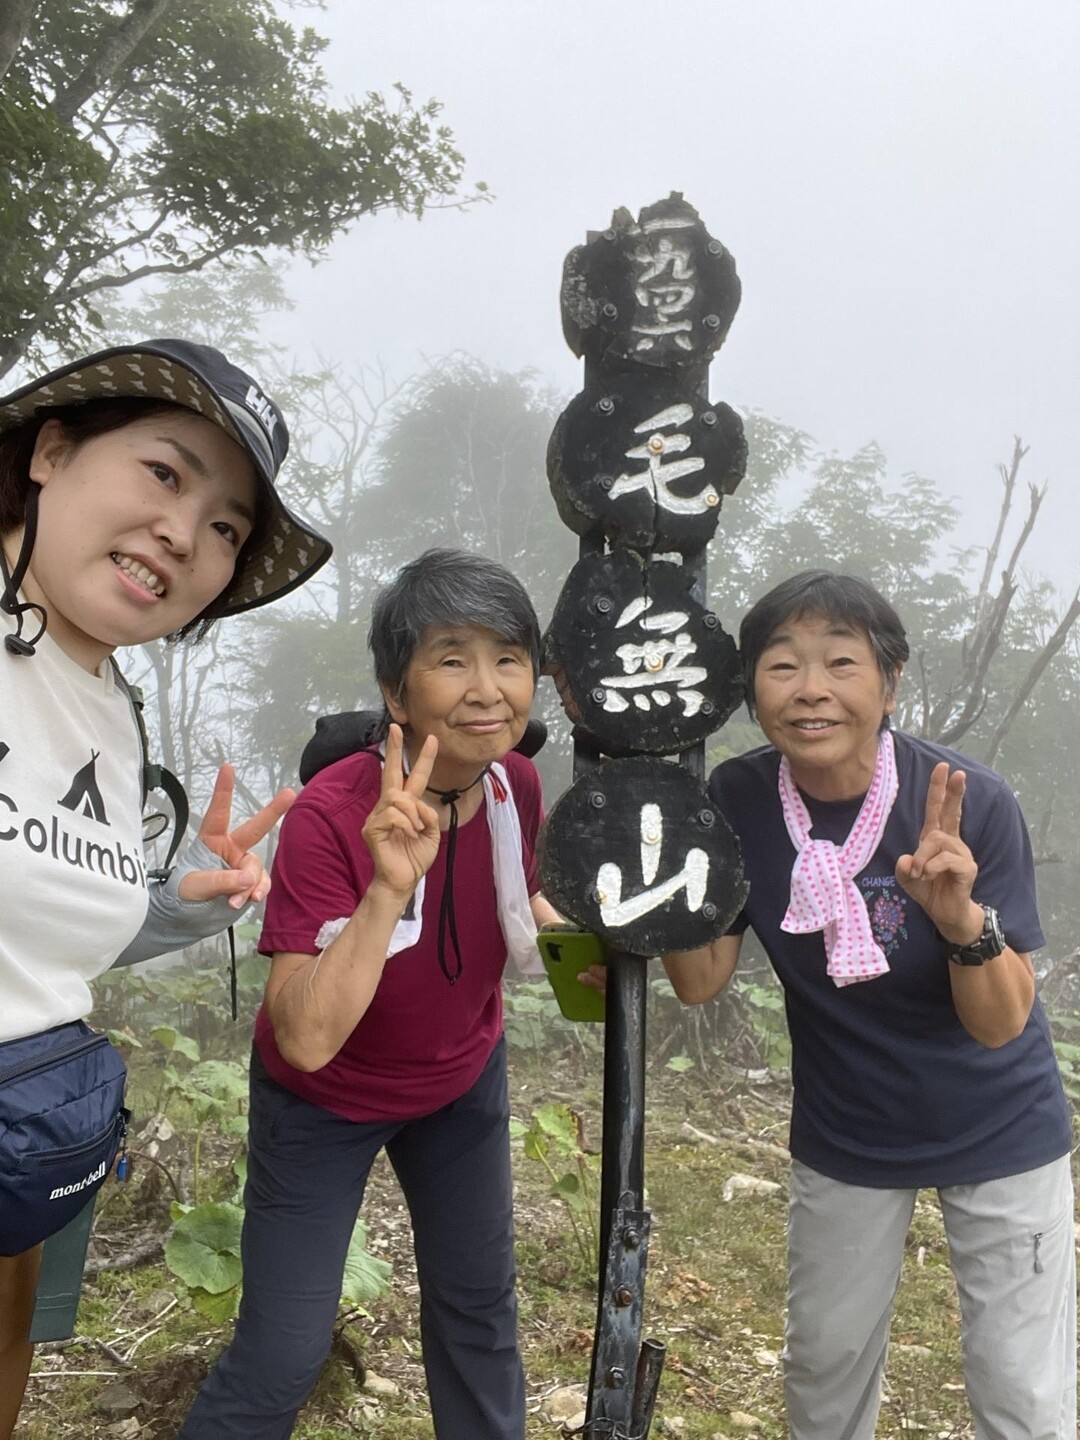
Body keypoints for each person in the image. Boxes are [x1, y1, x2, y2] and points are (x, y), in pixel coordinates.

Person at [0, 339, 332, 1439]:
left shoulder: (105, 696)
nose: (186, 533)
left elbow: (40, 935)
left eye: (228, 526)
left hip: (28, 1130)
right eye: (166, 472)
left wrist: (176, 904)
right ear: (51, 450)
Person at [661, 570, 1075, 1440]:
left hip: (999, 1123)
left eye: (840, 663)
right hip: (849, 1128)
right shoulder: (737, 803)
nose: (811, 689)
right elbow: (700, 981)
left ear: (888, 684)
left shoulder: (967, 803)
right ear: (752, 687)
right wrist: (656, 889)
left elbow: (1002, 1024)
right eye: (782, 666)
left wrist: (962, 918)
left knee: (1022, 1392)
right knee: (824, 1371)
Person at [179, 548, 559, 1440]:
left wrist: (619, 934)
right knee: (284, 1352)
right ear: (397, 692)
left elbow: (519, 904)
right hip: (324, 1103)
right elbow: (304, 1039)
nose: (487, 687)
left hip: (460, 1084)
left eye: (509, 659)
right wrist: (389, 885)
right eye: (452, 657)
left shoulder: (516, 787)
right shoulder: (328, 814)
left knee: (478, 1316)